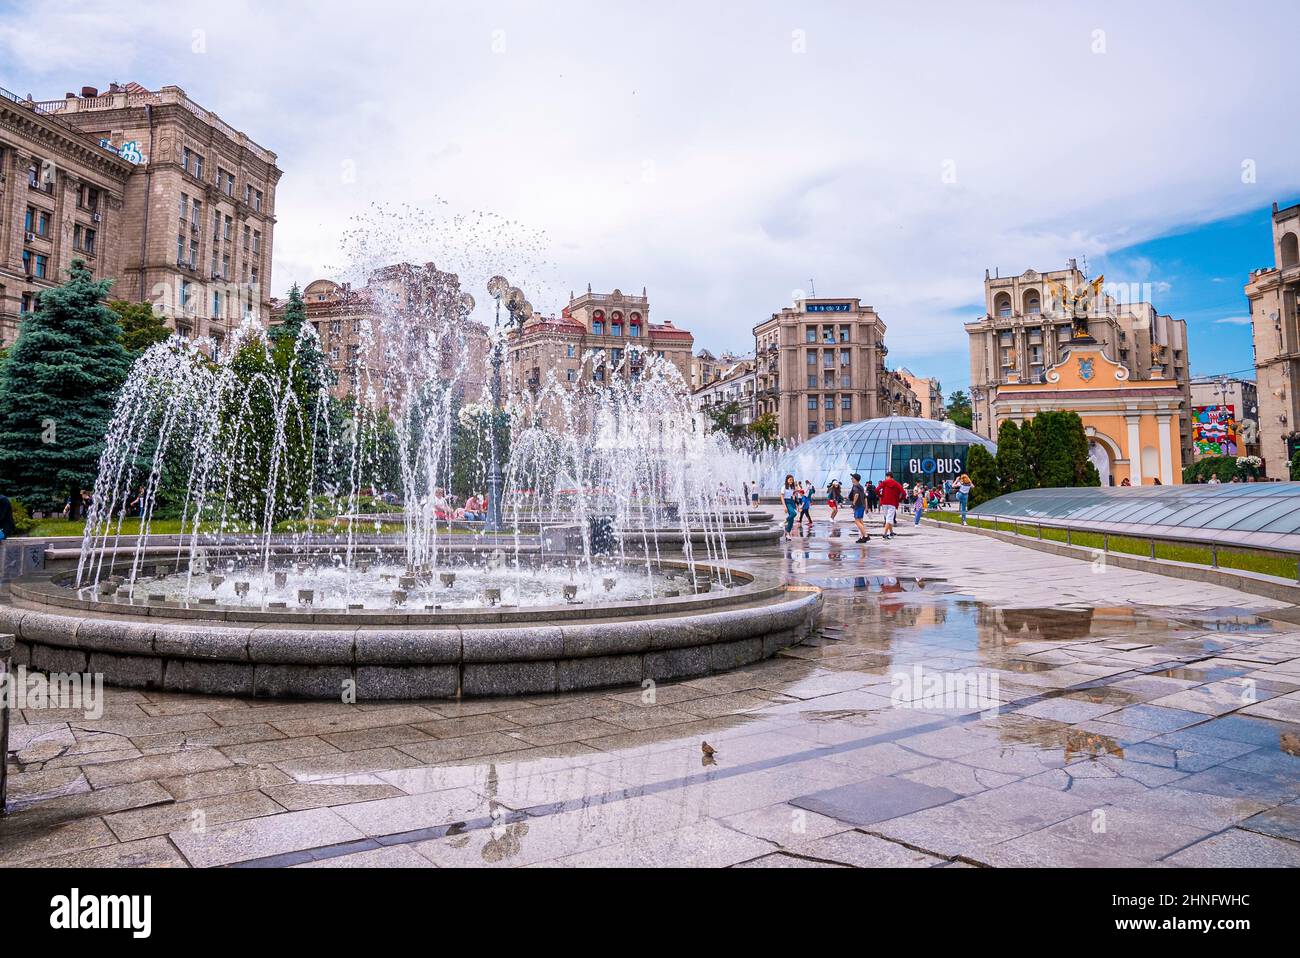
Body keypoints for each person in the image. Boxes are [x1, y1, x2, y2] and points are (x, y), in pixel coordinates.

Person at [877, 470, 904, 540]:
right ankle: (885, 534)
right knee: (889, 518)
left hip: (884, 502)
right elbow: (903, 493)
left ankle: (891, 532)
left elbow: (877, 490)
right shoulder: (897, 484)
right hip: (892, 503)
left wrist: (881, 496)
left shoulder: (884, 482)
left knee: (888, 518)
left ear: (887, 476)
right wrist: (899, 500)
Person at [848, 472, 870, 543]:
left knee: (857, 521)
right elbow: (865, 497)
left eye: (852, 478)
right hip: (862, 505)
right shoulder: (860, 486)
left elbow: (856, 495)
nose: (851, 479)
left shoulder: (856, 486)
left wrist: (853, 504)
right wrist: (866, 507)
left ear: (855, 479)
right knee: (860, 521)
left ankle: (866, 536)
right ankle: (862, 537)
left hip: (858, 506)